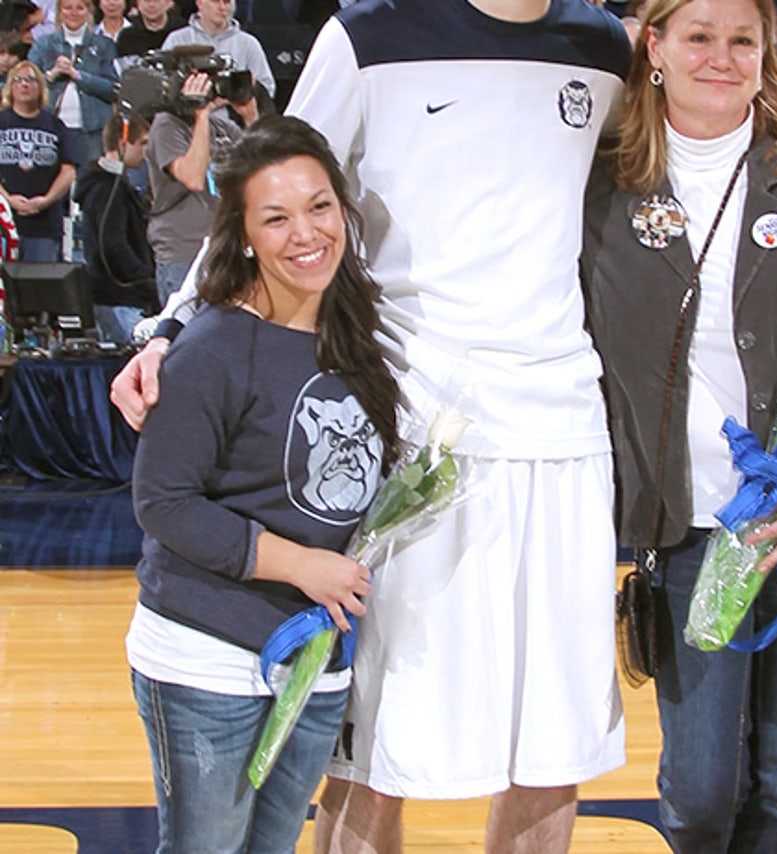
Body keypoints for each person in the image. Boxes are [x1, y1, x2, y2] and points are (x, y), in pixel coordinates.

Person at [112, 1, 632, 851]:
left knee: (552, 743)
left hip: (561, 425)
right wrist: (170, 325)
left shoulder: (603, 45)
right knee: (373, 751)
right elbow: (270, 187)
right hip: (412, 430)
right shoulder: (368, 35)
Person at [582, 0, 777, 849]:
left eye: (742, 40)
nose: (721, 58)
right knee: (700, 791)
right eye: (698, 37)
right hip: (687, 527)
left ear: (767, 53)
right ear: (655, 47)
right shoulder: (601, 187)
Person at [127, 114, 400, 854]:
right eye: (275, 218)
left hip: (317, 659)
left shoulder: (360, 331)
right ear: (242, 234)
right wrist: (303, 565)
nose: (306, 233)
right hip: (207, 655)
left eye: (319, 207)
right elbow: (163, 504)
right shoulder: (212, 347)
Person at [145, 68, 257, 303]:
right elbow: (193, 177)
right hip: (183, 252)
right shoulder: (166, 125)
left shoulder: (223, 128)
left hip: (224, 249)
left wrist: (250, 117)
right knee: (187, 332)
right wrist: (201, 114)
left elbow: (263, 171)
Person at [75, 111, 156, 342]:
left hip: (114, 296)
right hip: (120, 297)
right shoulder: (108, 190)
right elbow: (112, 244)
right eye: (142, 143)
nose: (146, 151)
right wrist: (145, 279)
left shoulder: (109, 186)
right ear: (122, 144)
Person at [0, 58, 76, 260]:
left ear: (40, 88)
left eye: (31, 80)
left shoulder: (56, 125)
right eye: (18, 80)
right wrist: (7, 200)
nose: (24, 84)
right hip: (4, 222)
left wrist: (45, 201)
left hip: (45, 225)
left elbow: (68, 171)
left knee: (38, 289)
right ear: (10, 87)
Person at [28, 0, 117, 162]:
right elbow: (27, 84)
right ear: (60, 12)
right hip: (50, 127)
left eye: (80, 8)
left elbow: (112, 89)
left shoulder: (104, 45)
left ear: (88, 11)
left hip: (93, 130)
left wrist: (77, 75)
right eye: (68, 8)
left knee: (91, 183)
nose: (73, 13)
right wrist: (52, 74)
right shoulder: (43, 44)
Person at [161, 0, 273, 98]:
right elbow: (162, 85)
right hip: (185, 116)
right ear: (199, 3)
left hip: (232, 117)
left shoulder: (248, 43)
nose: (222, 7)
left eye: (226, 2)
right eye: (215, 1)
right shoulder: (177, 39)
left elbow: (268, 88)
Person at [115, 0, 177, 70]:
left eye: (157, 1)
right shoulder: (126, 37)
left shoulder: (181, 32)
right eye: (146, 1)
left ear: (168, 3)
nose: (151, 5)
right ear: (138, 3)